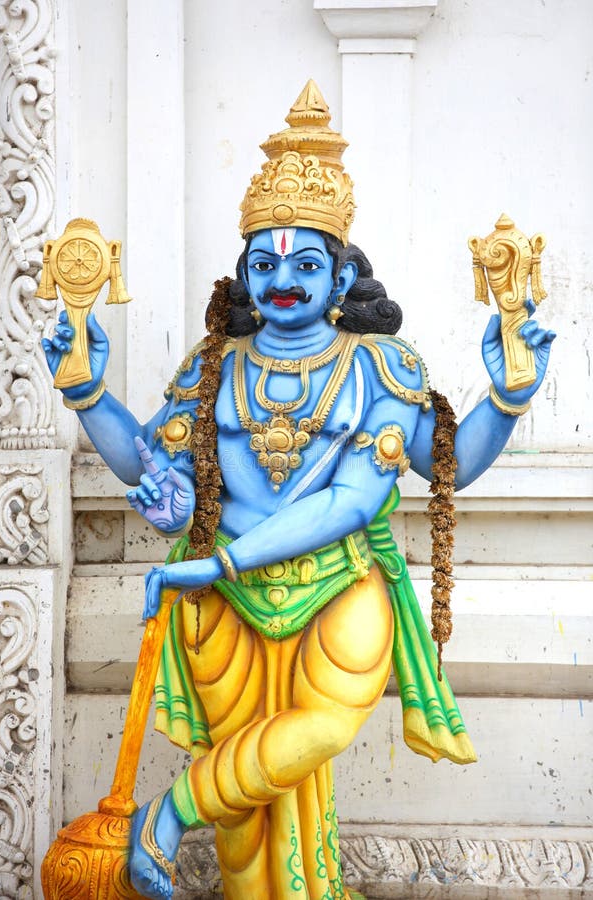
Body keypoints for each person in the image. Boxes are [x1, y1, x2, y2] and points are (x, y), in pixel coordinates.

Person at [42, 81, 555, 900]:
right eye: (266, 263)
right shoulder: (215, 368)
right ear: (245, 275)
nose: (284, 279)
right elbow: (152, 467)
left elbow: (411, 477)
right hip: (226, 609)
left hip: (340, 585)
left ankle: (167, 817)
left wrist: (506, 399)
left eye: (307, 263)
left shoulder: (378, 367)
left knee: (317, 730)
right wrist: (88, 394)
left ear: (343, 272)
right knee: (251, 815)